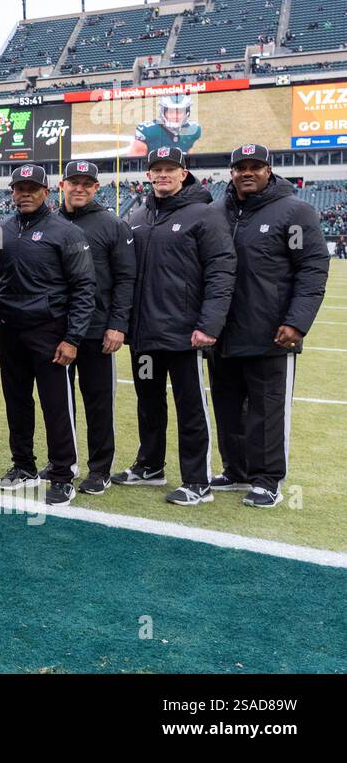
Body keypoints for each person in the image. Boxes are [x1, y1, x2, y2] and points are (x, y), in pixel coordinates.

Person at [116, 147, 235, 506]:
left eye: (170, 169)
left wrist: (209, 324)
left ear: (184, 173)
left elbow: (222, 271)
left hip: (185, 335)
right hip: (145, 335)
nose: (162, 174)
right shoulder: (138, 215)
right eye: (157, 169)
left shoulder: (205, 215)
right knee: (148, 402)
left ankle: (198, 481)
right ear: (149, 175)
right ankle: (150, 465)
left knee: (191, 408)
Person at [210, 144, 327, 508]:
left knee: (267, 409)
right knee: (227, 406)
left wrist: (296, 321)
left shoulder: (295, 211)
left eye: (255, 166)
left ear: (269, 170)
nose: (247, 172)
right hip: (222, 332)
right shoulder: (217, 212)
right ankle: (237, 469)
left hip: (270, 332)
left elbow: (312, 269)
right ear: (230, 172)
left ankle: (267, 479)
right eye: (240, 167)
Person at [0, 164, 96, 507]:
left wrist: (73, 337)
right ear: (13, 192)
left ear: (46, 192)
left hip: (49, 332)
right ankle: (24, 465)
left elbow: (84, 287)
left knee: (56, 405)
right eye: (20, 188)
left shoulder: (66, 231)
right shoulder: (2, 229)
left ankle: (63, 474)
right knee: (17, 402)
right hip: (10, 331)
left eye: (33, 188)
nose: (26, 194)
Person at [55, 160, 136, 495]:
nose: (80, 188)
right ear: (62, 185)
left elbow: (126, 278)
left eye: (87, 184)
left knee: (98, 402)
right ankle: (64, 462)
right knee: (60, 402)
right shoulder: (51, 222)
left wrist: (117, 324)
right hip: (57, 329)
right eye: (74, 182)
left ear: (96, 188)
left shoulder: (112, 224)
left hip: (97, 329)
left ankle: (100, 468)